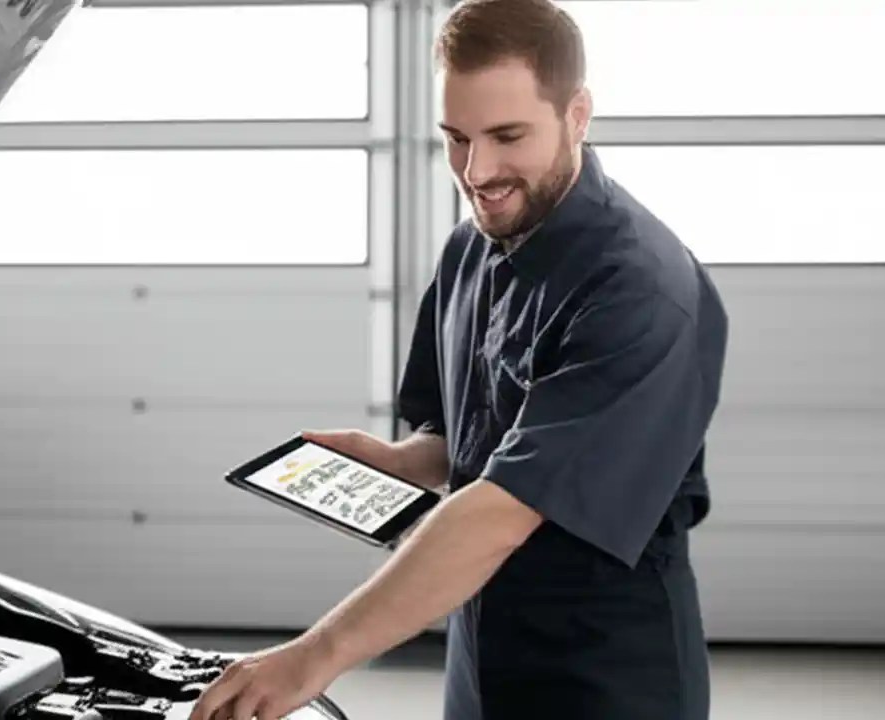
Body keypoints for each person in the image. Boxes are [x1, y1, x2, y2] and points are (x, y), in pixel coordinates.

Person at [188, 0, 727, 717]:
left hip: (604, 672)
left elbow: (506, 507)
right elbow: (463, 436)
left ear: (577, 115)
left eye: (508, 136)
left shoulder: (642, 291)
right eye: (456, 138)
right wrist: (402, 462)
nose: (477, 171)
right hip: (479, 649)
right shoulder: (472, 245)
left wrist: (311, 660)